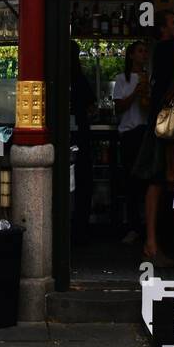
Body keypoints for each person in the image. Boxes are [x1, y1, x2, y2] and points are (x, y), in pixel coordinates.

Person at [132, 12, 174, 266]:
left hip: (161, 123)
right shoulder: (167, 48)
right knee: (159, 179)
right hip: (166, 125)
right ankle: (152, 244)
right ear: (162, 29)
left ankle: (155, 242)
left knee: (160, 181)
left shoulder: (162, 50)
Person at [113, 41, 150, 244]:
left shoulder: (149, 78)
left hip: (145, 132)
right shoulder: (122, 79)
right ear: (131, 56)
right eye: (141, 51)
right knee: (131, 181)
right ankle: (134, 226)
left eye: (145, 51)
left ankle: (146, 226)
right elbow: (118, 108)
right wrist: (136, 92)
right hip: (129, 133)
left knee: (146, 182)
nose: (144, 55)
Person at [70, 42, 97, 246]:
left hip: (67, 136)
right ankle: (81, 228)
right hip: (81, 135)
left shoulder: (57, 76)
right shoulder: (79, 78)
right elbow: (91, 108)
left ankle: (71, 228)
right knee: (82, 182)